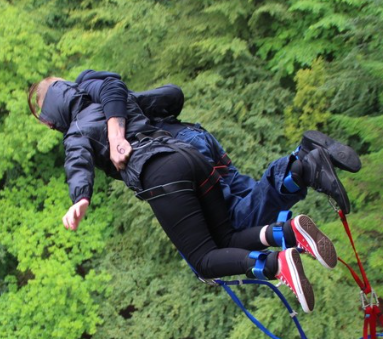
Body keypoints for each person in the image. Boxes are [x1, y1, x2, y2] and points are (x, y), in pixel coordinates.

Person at [28, 76, 341, 313]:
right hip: (187, 154)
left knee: (203, 261)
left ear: (52, 119)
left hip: (163, 174)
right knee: (228, 236)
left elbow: (77, 162)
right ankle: (288, 230)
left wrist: (80, 198)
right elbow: (160, 93)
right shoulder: (112, 99)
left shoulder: (76, 132)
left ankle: (278, 263)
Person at [73, 70, 361, 231]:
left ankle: (302, 168)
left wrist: (114, 138)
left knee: (237, 221)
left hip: (183, 156)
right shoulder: (95, 88)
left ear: (49, 121)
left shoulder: (80, 110)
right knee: (252, 199)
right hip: (193, 136)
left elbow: (78, 158)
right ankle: (304, 155)